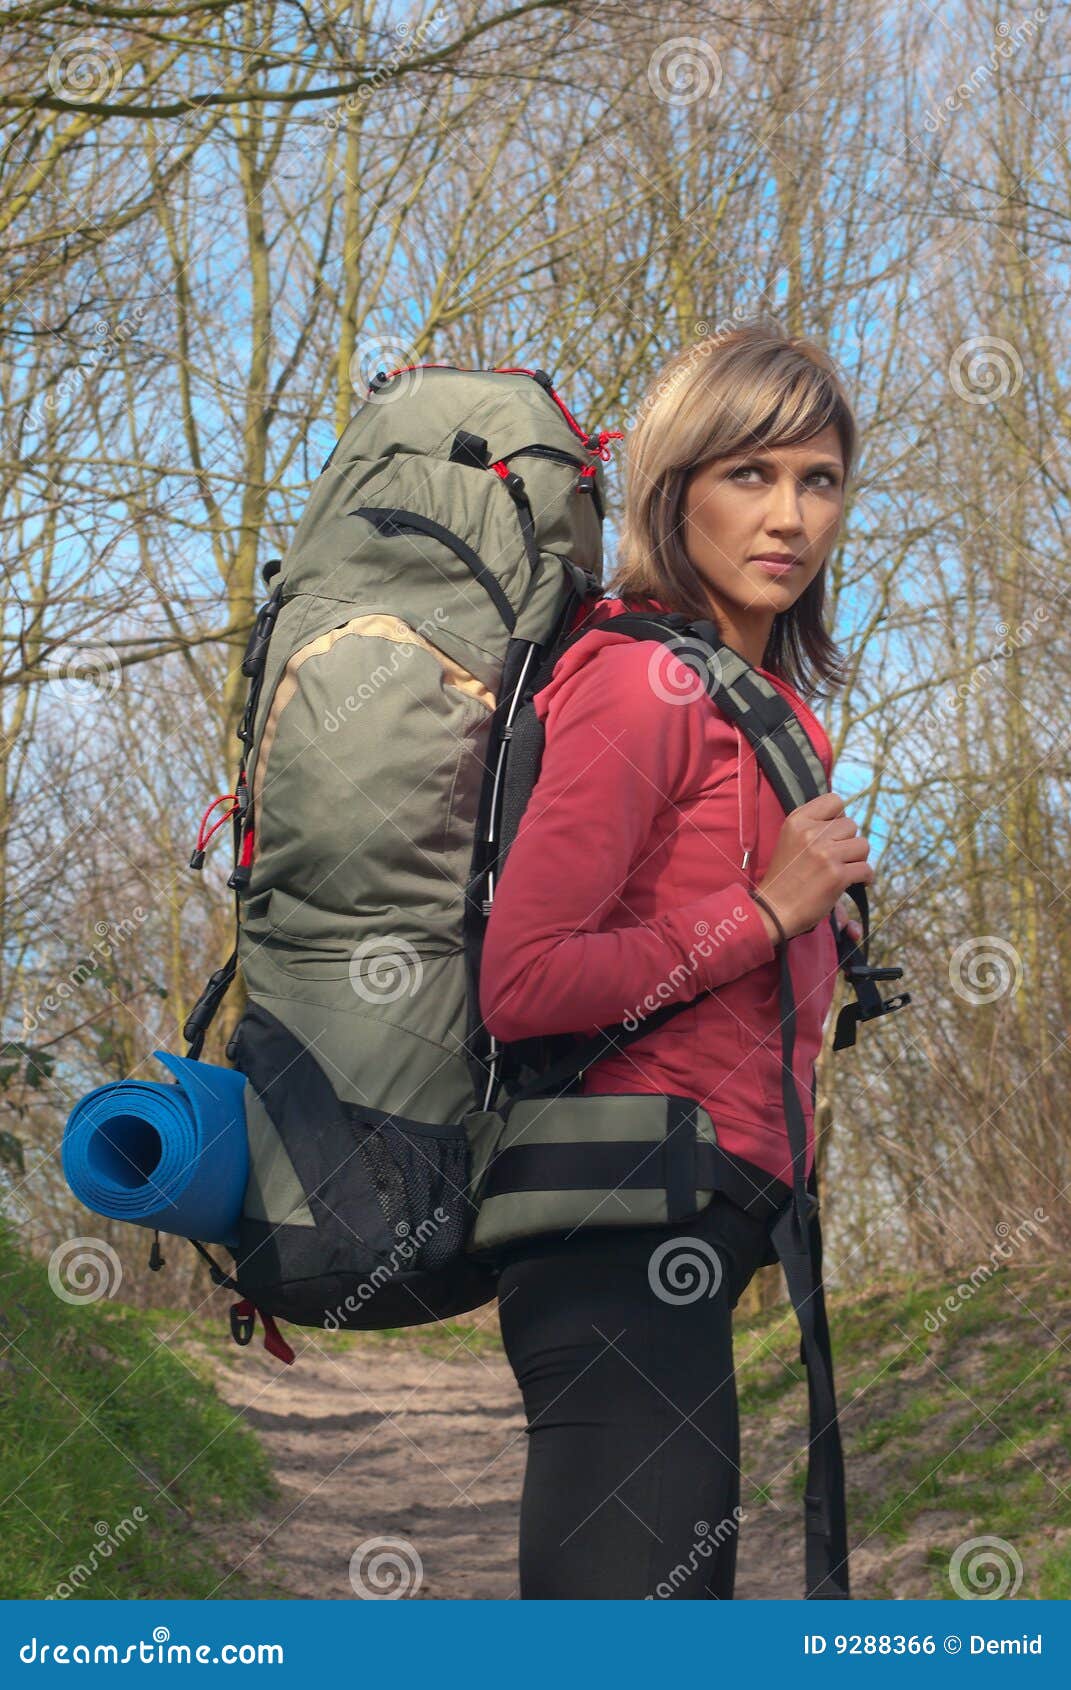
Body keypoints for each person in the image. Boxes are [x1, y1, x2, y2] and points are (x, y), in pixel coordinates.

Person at [477, 321, 874, 1599]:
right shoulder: (642, 684)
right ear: (674, 489)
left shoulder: (751, 704)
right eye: (748, 475)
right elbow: (524, 978)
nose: (790, 515)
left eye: (818, 480)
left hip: (686, 1234)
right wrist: (761, 916)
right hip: (612, 1235)